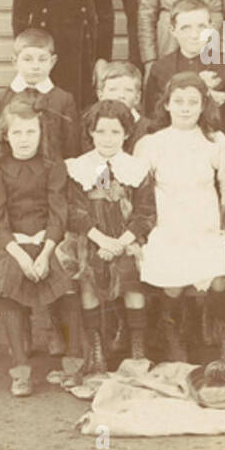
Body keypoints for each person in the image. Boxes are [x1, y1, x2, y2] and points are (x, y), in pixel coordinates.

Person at [0, 95, 76, 396]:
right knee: (9, 287)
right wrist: (20, 255)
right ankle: (20, 369)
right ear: (5, 134)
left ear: (41, 133)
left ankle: (74, 363)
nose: (24, 139)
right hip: (14, 245)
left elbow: (59, 214)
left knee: (68, 282)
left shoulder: (53, 165)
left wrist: (46, 252)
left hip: (48, 240)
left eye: (31, 131)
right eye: (17, 132)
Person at [134, 72, 225, 361]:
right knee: (173, 282)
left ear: (204, 105)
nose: (185, 108)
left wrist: (224, 219)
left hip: (205, 222)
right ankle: (173, 333)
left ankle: (218, 330)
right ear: (166, 104)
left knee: (219, 279)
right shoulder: (151, 143)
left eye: (193, 102)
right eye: (178, 101)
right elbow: (138, 192)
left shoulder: (215, 140)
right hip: (168, 224)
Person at [59, 100, 157, 369]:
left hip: (126, 239)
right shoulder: (79, 167)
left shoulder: (137, 168)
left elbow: (146, 212)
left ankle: (137, 346)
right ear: (90, 132)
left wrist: (123, 241)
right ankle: (96, 347)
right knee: (88, 275)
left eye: (115, 132)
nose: (107, 139)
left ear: (126, 133)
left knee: (131, 278)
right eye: (100, 131)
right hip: (91, 239)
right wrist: (101, 240)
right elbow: (75, 211)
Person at [0, 28, 80, 166]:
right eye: (28, 59)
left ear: (53, 62)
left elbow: (71, 149)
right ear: (15, 62)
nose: (35, 66)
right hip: (12, 179)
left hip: (53, 180)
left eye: (42, 59)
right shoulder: (1, 99)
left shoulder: (63, 100)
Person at [141, 0, 225, 130]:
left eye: (201, 27)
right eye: (186, 28)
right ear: (173, 30)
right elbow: (152, 115)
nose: (194, 35)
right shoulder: (161, 68)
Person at [92, 61, 151, 153]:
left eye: (128, 90)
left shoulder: (149, 129)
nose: (120, 95)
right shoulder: (90, 126)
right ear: (100, 95)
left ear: (137, 98)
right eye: (113, 90)